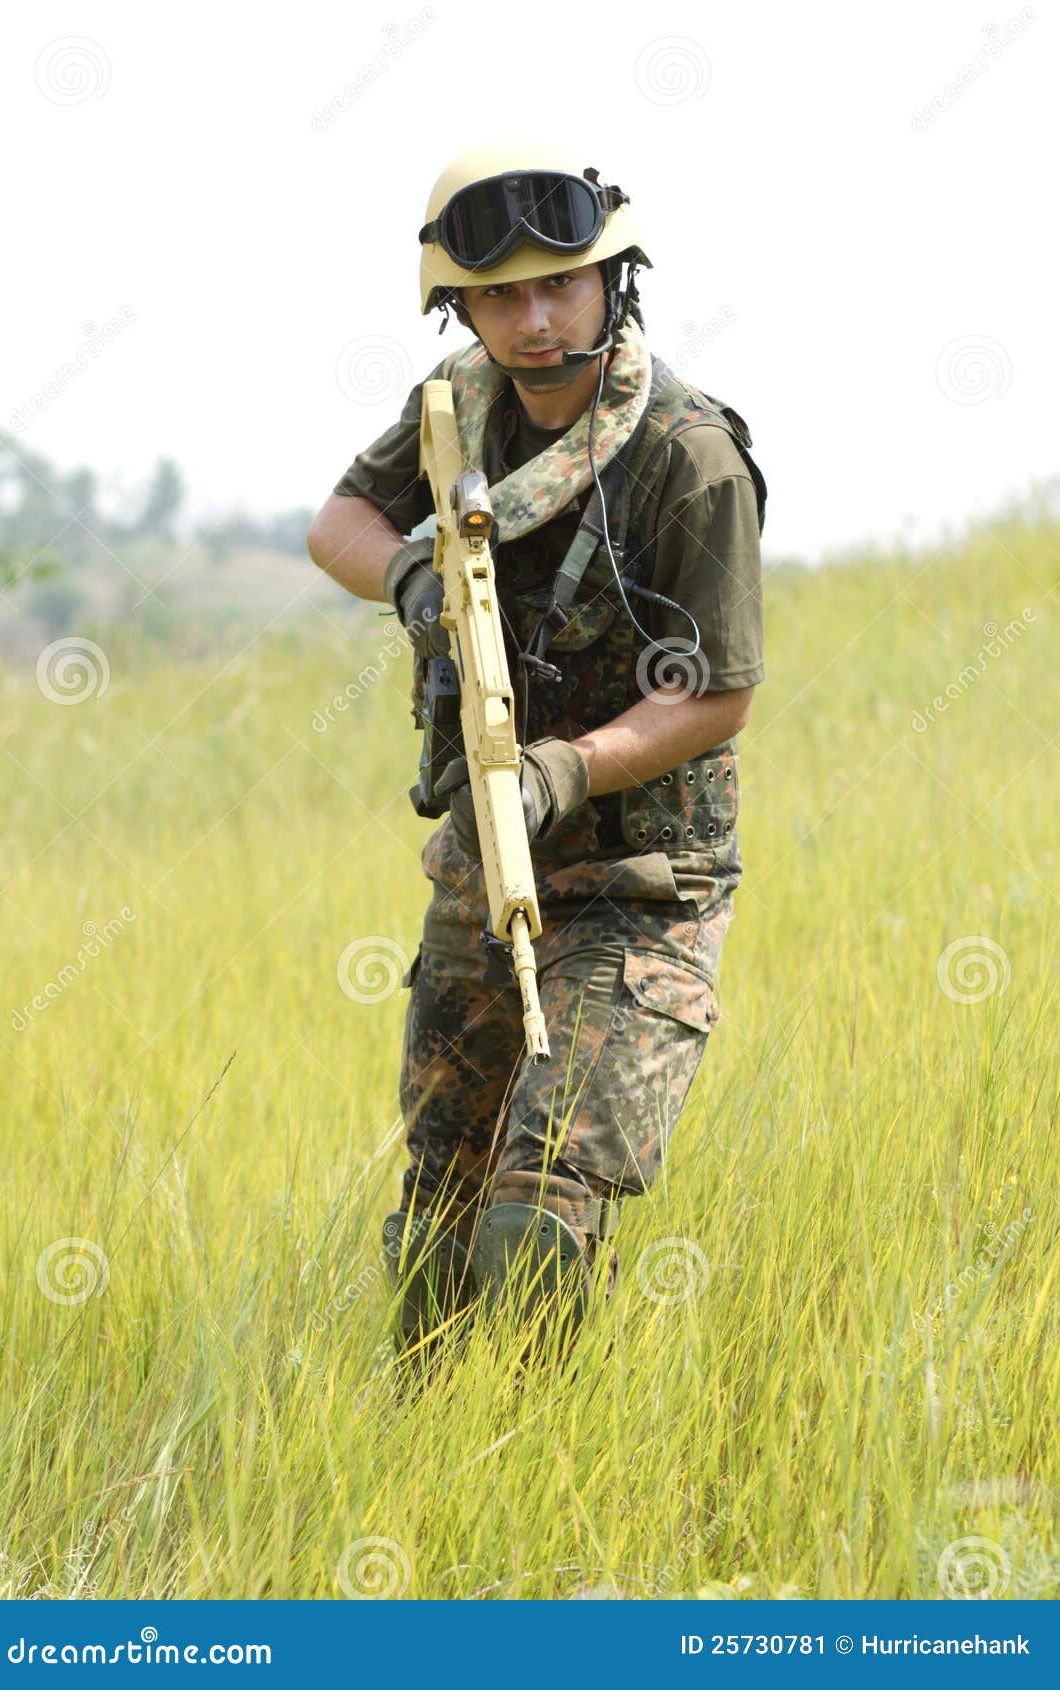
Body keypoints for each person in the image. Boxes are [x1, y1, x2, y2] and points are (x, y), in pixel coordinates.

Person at [307, 141, 767, 1364]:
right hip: (484, 853)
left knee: (543, 1202)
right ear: (456, 307)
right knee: (441, 1202)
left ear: (613, 280)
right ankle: (423, 1454)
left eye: (559, 284)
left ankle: (539, 1465)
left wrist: (567, 768)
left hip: (640, 881)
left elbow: (719, 694)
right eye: (499, 295)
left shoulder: (686, 452)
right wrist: (412, 572)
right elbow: (338, 523)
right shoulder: (454, 414)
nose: (534, 316)